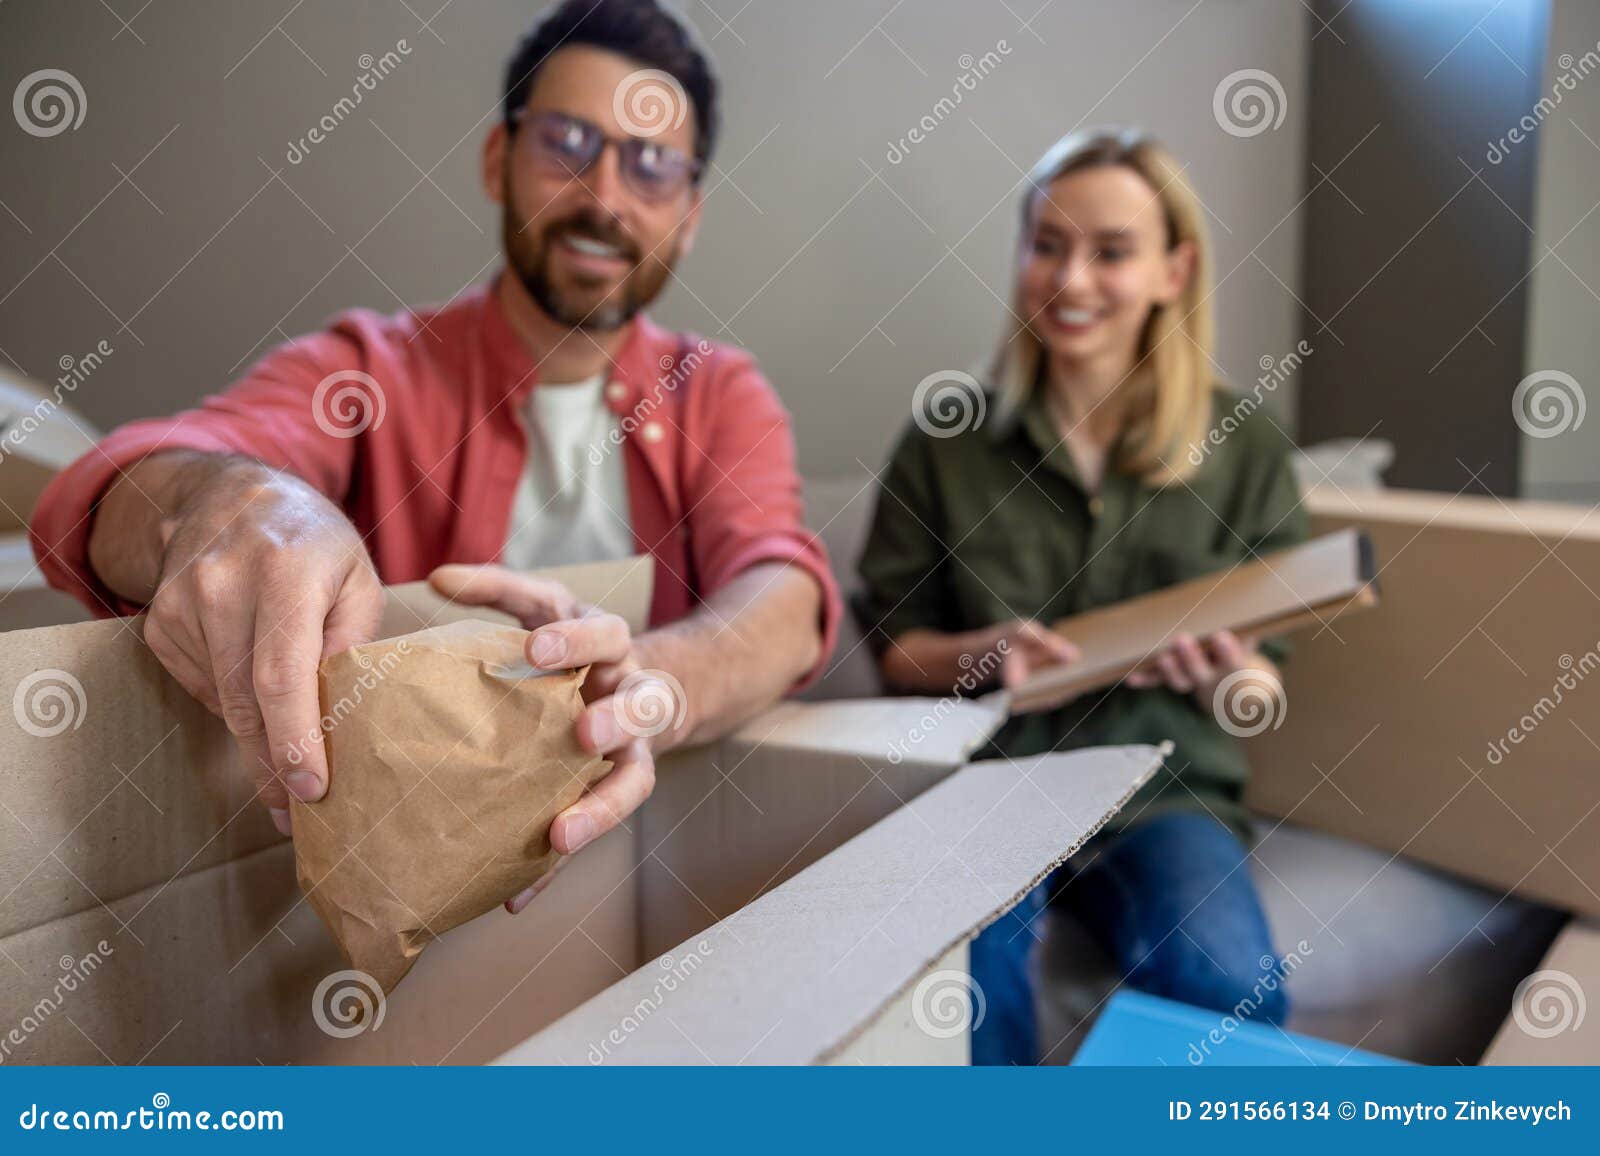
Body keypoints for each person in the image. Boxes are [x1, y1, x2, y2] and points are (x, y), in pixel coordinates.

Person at [29, 0, 838, 913]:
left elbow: (787, 592)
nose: (604, 199)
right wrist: (223, 501)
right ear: (500, 160)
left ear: (689, 215)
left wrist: (648, 686)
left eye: (651, 167)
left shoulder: (717, 391)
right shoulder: (371, 369)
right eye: (568, 143)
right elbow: (131, 479)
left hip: (649, 882)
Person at [856, 127, 1308, 1064]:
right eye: (1047, 245)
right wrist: (994, 661)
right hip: (991, 779)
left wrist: (1229, 675)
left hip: (1165, 783)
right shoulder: (946, 441)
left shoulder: (1247, 445)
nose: (1071, 280)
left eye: (1111, 252)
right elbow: (898, 657)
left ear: (1173, 271)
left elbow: (1263, 689)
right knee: (963, 1003)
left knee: (1228, 985)